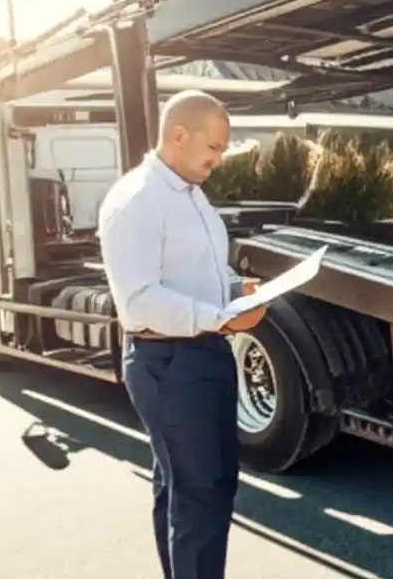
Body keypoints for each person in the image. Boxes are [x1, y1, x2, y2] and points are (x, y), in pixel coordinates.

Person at [97, 89, 267, 579]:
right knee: (198, 492)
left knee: (191, 487)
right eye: (214, 147)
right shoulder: (137, 200)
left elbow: (191, 273)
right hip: (170, 361)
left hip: (201, 354)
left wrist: (236, 288)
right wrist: (220, 318)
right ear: (178, 135)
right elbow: (139, 301)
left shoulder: (190, 194)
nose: (219, 158)